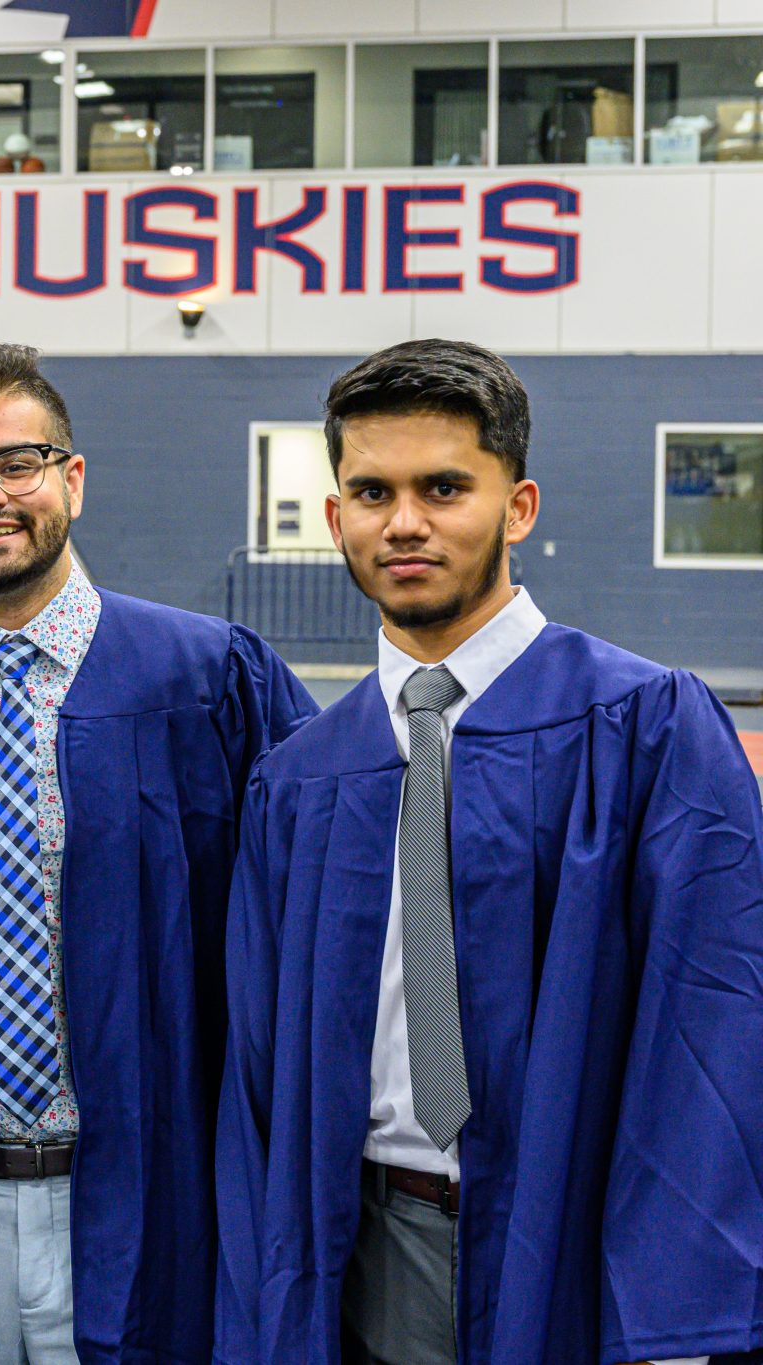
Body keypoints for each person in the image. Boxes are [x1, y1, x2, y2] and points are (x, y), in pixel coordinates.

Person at [213, 339, 763, 1365]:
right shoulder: (297, 780)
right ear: (335, 519)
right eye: (370, 491)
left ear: (516, 507)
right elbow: (256, 1076)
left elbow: (716, 1031)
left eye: (444, 487)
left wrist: (677, 1317)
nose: (404, 521)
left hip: (571, 1232)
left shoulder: (644, 730)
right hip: (351, 1244)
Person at [0, 344, 316, 1365]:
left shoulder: (205, 677)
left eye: (16, 462)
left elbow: (296, 909)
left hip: (145, 1195)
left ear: (70, 480)